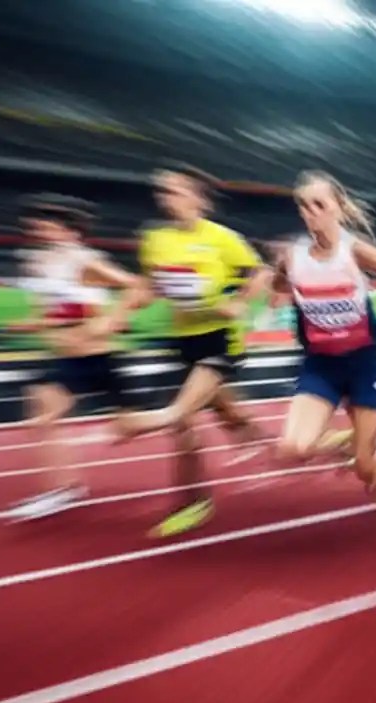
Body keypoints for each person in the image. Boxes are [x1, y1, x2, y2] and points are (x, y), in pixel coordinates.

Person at [272, 169, 376, 557]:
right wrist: (278, 290)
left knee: (364, 466)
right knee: (292, 447)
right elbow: (278, 283)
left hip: (361, 368)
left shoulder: (353, 250)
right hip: (320, 367)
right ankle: (344, 439)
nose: (311, 213)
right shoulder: (293, 256)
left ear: (338, 208)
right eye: (304, 207)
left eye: (319, 205)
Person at [114, 162, 272, 538]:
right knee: (222, 414)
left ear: (199, 199)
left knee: (180, 417)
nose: (166, 197)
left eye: (176, 190)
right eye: (163, 191)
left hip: (220, 339)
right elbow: (149, 284)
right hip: (182, 339)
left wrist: (241, 303)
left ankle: (192, 502)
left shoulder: (222, 238)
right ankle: (249, 432)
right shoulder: (155, 238)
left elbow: (261, 272)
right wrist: (119, 312)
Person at [6, 194, 146, 520]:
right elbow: (61, 310)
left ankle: (188, 416)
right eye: (37, 228)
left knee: (132, 425)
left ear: (71, 232)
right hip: (66, 358)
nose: (41, 233)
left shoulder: (86, 262)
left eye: (49, 228)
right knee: (43, 414)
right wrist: (34, 324)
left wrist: (113, 318)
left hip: (98, 357)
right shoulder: (39, 264)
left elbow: (136, 286)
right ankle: (63, 489)